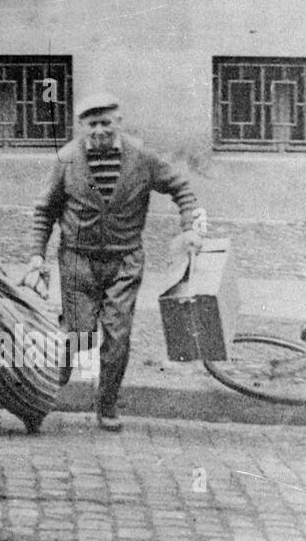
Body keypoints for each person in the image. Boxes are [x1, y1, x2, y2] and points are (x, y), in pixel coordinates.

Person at [22, 92, 203, 432]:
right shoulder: (66, 159)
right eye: (92, 124)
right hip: (78, 260)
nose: (99, 130)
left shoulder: (142, 157)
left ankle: (106, 404)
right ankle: (42, 394)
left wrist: (191, 228)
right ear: (82, 126)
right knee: (79, 335)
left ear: (119, 122)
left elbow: (182, 188)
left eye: (106, 123)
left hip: (125, 260)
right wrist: (36, 256)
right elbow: (44, 211)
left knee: (118, 337)